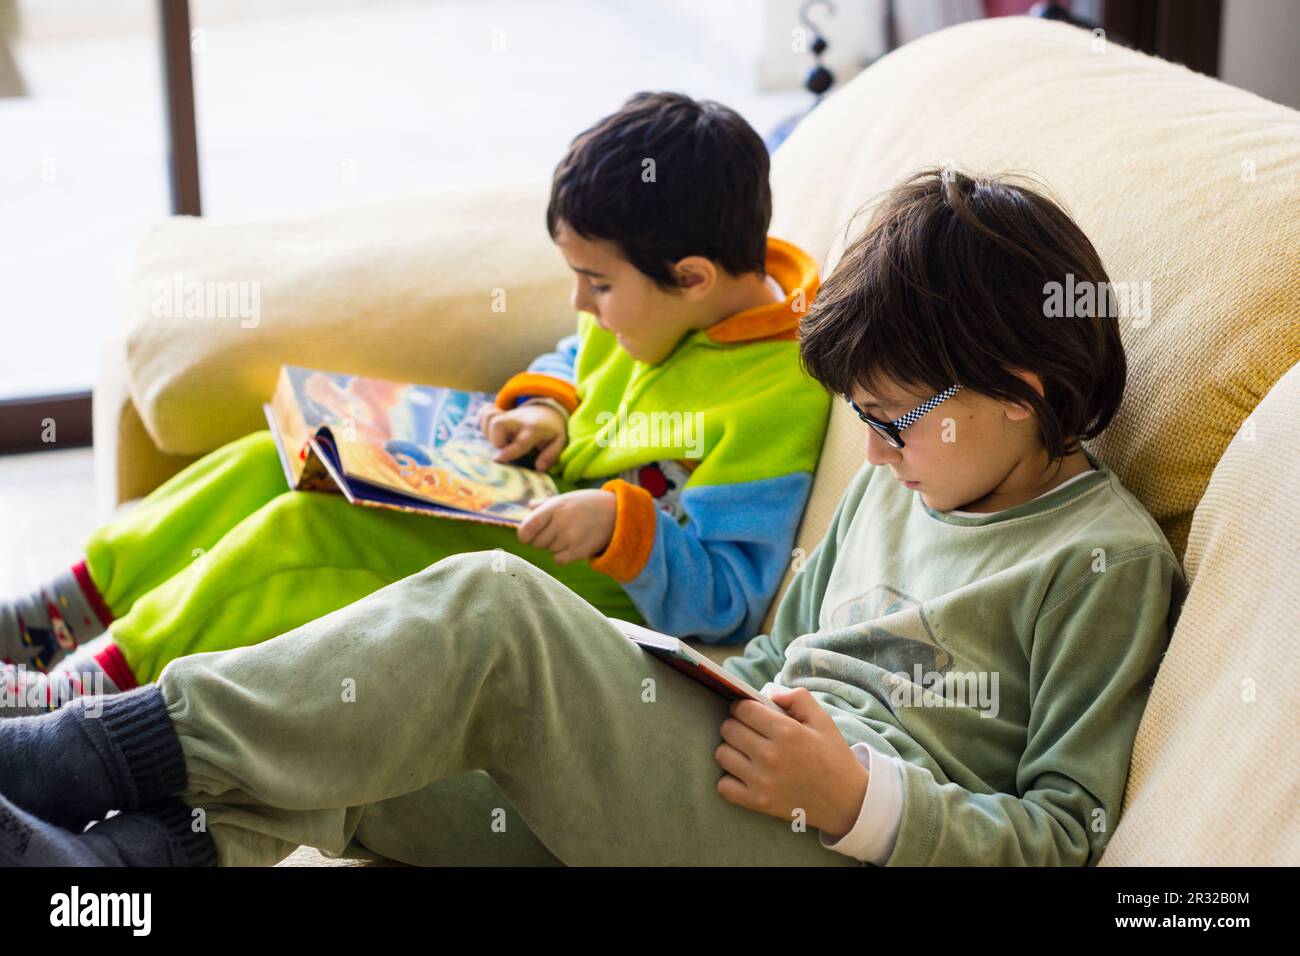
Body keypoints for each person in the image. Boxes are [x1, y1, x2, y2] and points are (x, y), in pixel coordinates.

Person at [0, 169, 1187, 867]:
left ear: (1021, 389)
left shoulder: (1100, 560)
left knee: (494, 608)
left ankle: (90, 748)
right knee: (368, 724)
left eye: (894, 420)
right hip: (721, 781)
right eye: (863, 421)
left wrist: (858, 800)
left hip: (824, 836)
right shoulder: (903, 482)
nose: (871, 452)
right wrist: (664, 674)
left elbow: (1064, 831)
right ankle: (104, 866)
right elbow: (776, 653)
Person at [0, 91, 829, 715]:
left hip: (584, 592)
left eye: (598, 285)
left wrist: (621, 527)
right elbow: (577, 357)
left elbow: (729, 596)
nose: (581, 304)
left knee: (310, 529)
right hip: (520, 503)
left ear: (692, 277)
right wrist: (546, 407)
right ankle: (53, 617)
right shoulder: (658, 307)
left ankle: (93, 690)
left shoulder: (777, 394)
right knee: (269, 460)